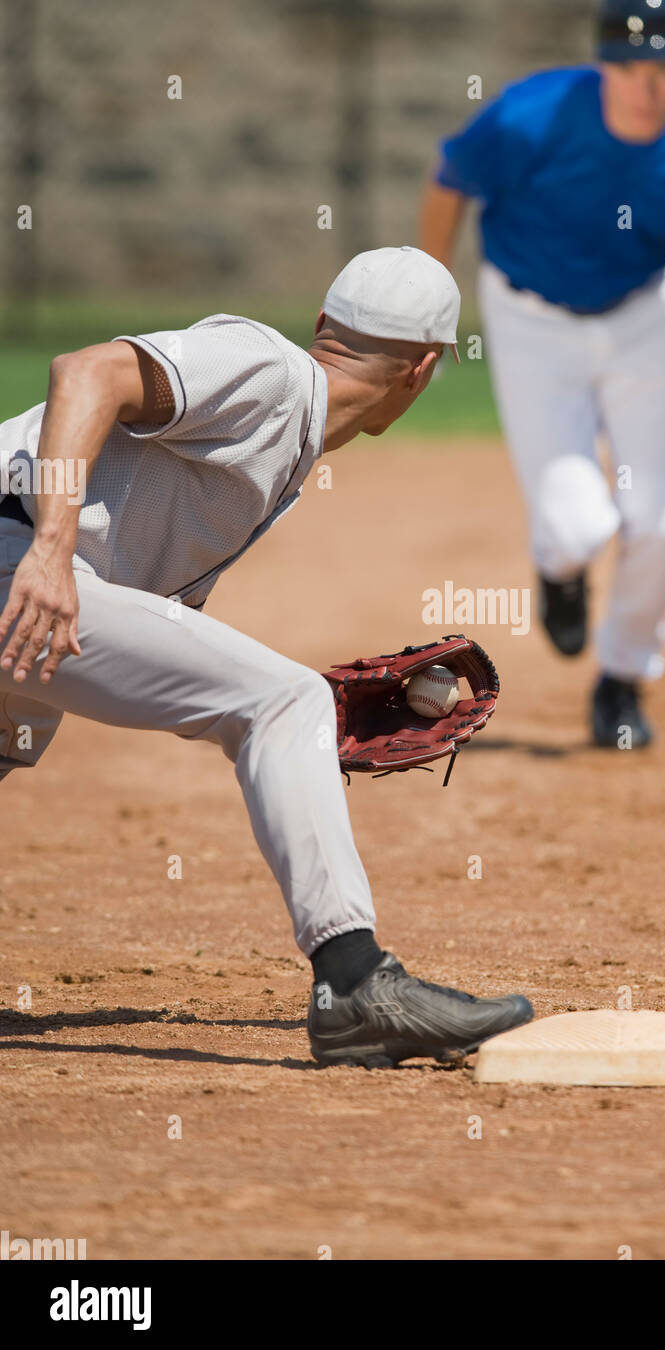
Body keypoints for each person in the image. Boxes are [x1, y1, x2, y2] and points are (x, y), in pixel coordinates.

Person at [0, 244, 533, 1068]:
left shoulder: (283, 445)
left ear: (328, 325)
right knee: (283, 701)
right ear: (423, 369)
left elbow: (171, 648)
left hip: (30, 586)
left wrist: (304, 742)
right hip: (18, 562)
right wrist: (51, 549)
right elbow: (86, 372)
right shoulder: (272, 372)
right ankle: (354, 983)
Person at [419, 0, 665, 748]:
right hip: (529, 317)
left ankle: (621, 680)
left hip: (646, 314)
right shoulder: (531, 116)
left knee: (663, 524)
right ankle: (561, 570)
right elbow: (450, 181)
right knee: (576, 524)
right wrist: (430, 295)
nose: (650, 86)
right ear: (603, 64)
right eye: (632, 67)